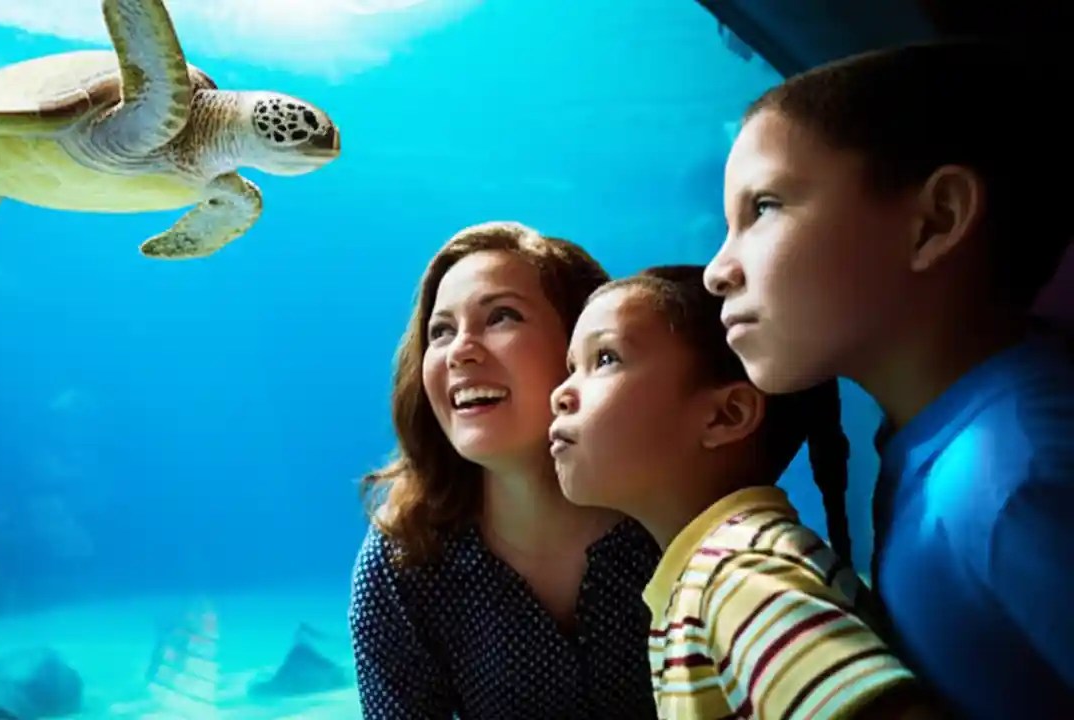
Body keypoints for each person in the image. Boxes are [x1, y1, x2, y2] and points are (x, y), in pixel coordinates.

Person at [703, 39, 1074, 717]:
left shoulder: (1018, 478)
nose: (716, 271)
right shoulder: (938, 443)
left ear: (935, 221)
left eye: (763, 208)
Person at [550, 265, 941, 719]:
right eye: (570, 368)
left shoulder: (738, 574)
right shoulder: (711, 574)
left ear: (726, 416)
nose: (560, 393)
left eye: (605, 359)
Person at [348, 221, 661, 719]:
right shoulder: (403, 561)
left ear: (585, 348)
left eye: (501, 317)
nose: (460, 351)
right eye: (441, 331)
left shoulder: (674, 514)